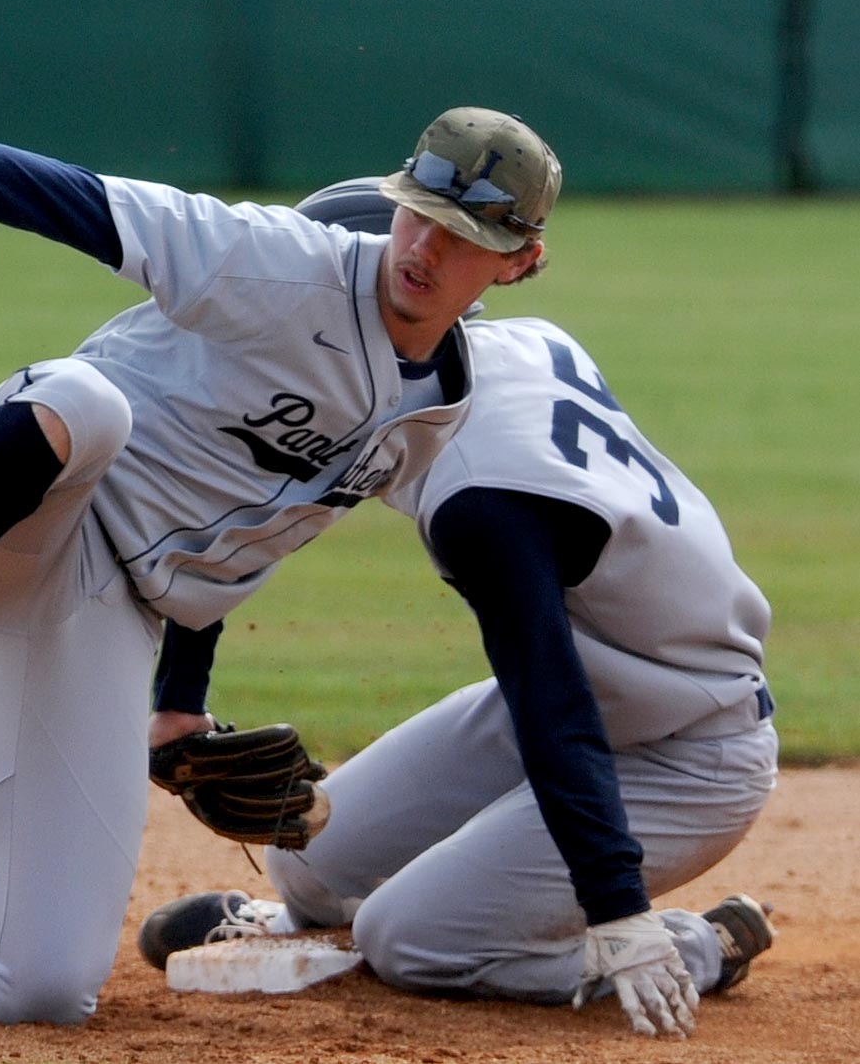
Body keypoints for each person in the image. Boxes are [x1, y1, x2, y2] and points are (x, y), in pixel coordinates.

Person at [0, 108, 560, 1025]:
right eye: (417, 211)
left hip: (98, 608)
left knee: (42, 983)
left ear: (517, 260)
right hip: (13, 500)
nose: (423, 244)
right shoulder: (271, 260)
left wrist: (180, 704)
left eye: (463, 234)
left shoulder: (435, 412)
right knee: (89, 401)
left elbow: (238, 545)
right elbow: (58, 195)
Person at [138, 179, 779, 1039]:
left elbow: (552, 700)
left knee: (411, 941)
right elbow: (241, 511)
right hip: (597, 684)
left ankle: (691, 944)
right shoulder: (493, 354)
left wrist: (616, 904)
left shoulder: (481, 491)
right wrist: (178, 699)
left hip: (689, 748)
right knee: (308, 862)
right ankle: (316, 916)